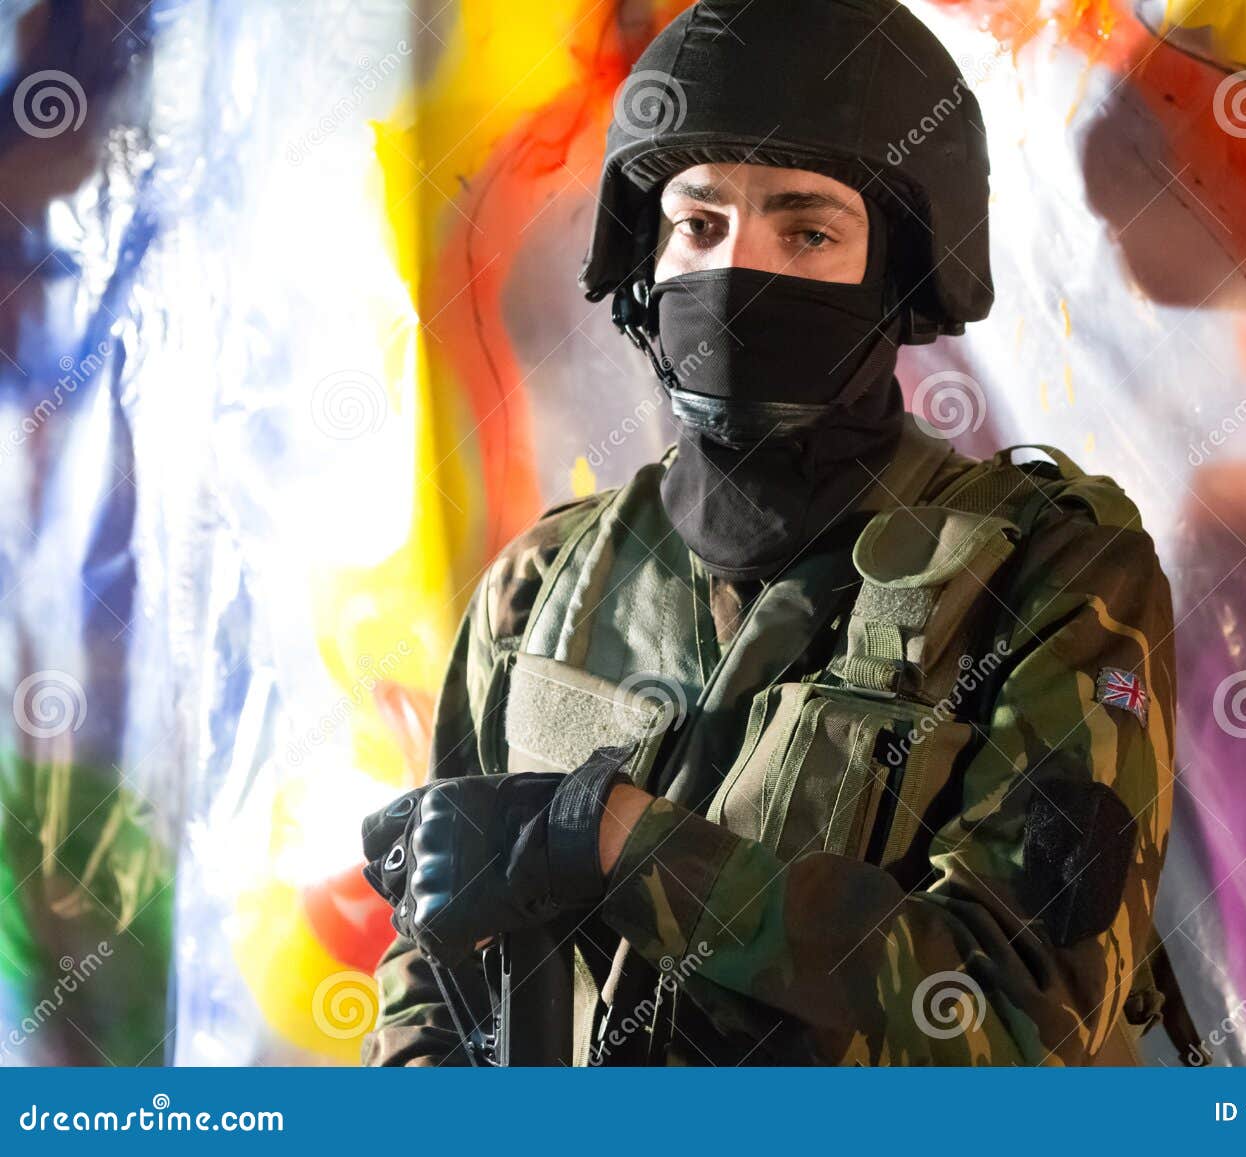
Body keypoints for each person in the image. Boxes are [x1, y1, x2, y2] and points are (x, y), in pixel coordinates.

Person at [359, 0, 1181, 1067]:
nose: (736, 274)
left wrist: (615, 841)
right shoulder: (539, 585)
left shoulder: (1052, 579)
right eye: (698, 225)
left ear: (903, 272)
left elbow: (1020, 1020)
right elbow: (430, 976)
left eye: (808, 232)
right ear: (645, 261)